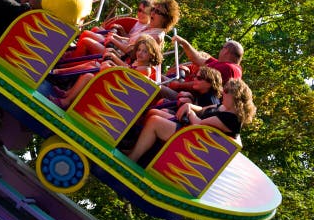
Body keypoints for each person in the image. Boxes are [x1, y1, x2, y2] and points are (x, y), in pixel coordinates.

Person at [126, 78, 255, 166]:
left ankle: (133, 158)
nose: (222, 93)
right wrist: (190, 106)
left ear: (235, 96)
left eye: (226, 91)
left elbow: (198, 124)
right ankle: (136, 148)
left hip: (194, 144)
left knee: (155, 121)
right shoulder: (224, 107)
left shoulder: (231, 119)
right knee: (154, 113)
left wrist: (190, 112)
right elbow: (202, 109)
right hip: (190, 132)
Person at [49, 34, 163, 109]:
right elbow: (126, 70)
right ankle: (67, 92)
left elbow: (127, 71)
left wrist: (113, 58)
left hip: (119, 91)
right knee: (93, 66)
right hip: (118, 82)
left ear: (151, 55)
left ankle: (66, 100)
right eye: (139, 50)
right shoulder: (138, 62)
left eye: (145, 52)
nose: (140, 53)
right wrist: (112, 62)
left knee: (89, 75)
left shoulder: (146, 69)